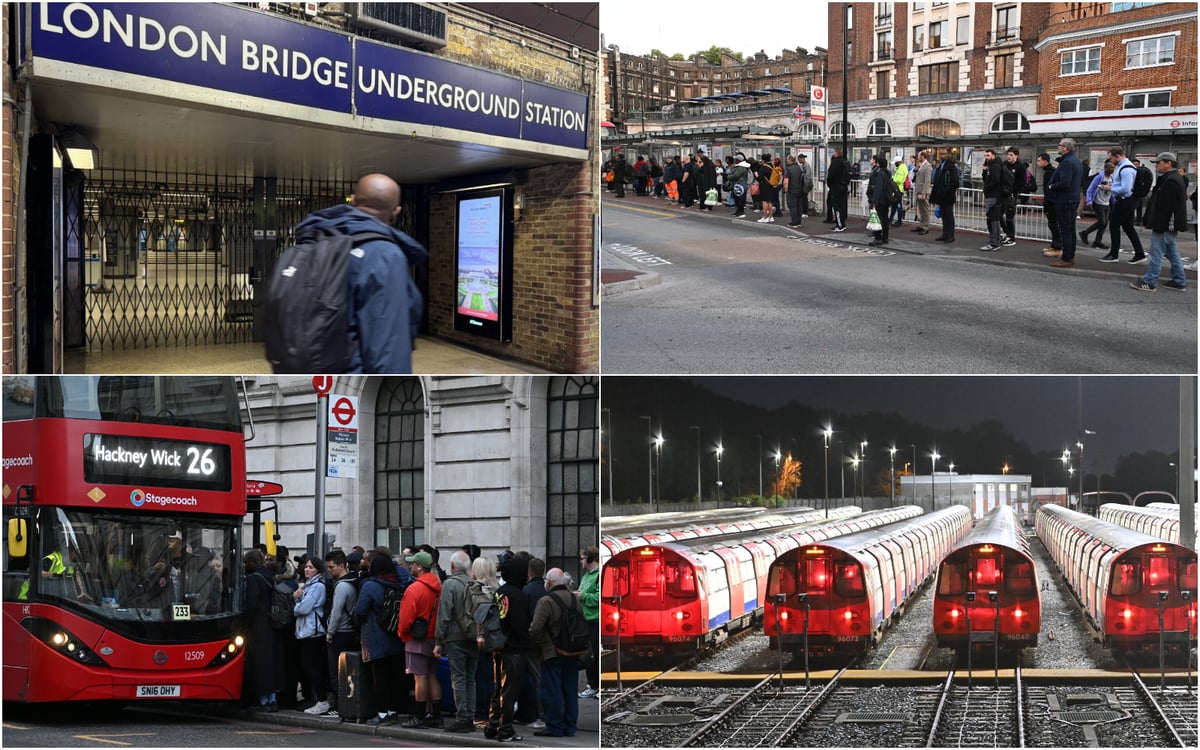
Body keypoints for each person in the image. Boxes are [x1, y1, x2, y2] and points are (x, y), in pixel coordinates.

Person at [290, 174, 426, 373]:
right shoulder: (384, 255)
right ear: (396, 211)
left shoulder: (317, 239)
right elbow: (388, 348)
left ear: (352, 200)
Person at [353, 551, 406, 726]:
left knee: (380, 677)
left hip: (376, 636)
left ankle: (382, 714)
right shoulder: (398, 584)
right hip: (395, 636)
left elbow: (360, 611)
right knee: (394, 677)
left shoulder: (370, 585)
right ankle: (392, 711)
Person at [529, 567, 582, 738]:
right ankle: (570, 726)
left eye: (546, 580)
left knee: (552, 690)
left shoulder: (546, 601)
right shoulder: (574, 600)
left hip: (551, 652)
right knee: (570, 691)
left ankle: (555, 726)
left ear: (549, 582)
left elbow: (535, 628)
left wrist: (533, 644)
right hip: (573, 652)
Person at [486, 554, 531, 742]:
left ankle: (492, 724)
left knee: (498, 688)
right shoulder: (519, 595)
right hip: (514, 648)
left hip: (498, 645)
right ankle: (506, 729)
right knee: (510, 690)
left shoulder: (500, 591)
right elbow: (520, 625)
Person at [1130, 152, 1189, 292]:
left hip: (1164, 224)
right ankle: (1179, 280)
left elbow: (1165, 207)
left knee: (1156, 252)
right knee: (1172, 252)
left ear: (1169, 163)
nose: (1156, 165)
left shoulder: (1171, 180)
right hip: (1169, 224)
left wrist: (1158, 225)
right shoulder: (1173, 178)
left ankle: (1150, 281)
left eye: (1159, 162)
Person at [399, 550, 444, 728]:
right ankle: (437, 715)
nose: (410, 566)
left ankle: (420, 716)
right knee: (432, 675)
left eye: (412, 564)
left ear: (419, 566)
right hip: (434, 638)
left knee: (420, 677)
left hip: (416, 638)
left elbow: (405, 618)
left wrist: (402, 634)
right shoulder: (438, 587)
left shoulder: (415, 588)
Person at [435, 549, 479, 733]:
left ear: (452, 566)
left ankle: (462, 718)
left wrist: (438, 640)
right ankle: (470, 715)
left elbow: (443, 614)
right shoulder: (475, 584)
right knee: (470, 678)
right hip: (474, 636)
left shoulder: (450, 584)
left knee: (459, 678)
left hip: (455, 637)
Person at [243, 549, 282, 712]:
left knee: (258, 663)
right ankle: (272, 698)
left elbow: (251, 605)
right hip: (271, 623)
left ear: (253, 562)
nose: (245, 566)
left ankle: (263, 700)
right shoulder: (269, 575)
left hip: (257, 626)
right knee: (270, 663)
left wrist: (245, 624)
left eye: (246, 562)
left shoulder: (253, 579)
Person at [293, 555, 330, 715]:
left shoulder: (317, 587)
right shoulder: (309, 585)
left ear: (318, 570)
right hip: (306, 631)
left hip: (313, 632)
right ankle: (317, 699)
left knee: (312, 667)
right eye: (306, 567)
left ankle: (322, 701)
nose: (307, 569)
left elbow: (303, 609)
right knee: (308, 667)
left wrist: (296, 600)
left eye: (311, 567)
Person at [517, 557, 548, 729]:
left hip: (531, 643)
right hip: (548, 642)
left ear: (529, 571)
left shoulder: (526, 591)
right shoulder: (547, 589)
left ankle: (540, 715)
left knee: (536, 679)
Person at [1106, 146, 1148, 264]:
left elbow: (1126, 189)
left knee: (1114, 225)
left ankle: (1114, 254)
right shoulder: (1125, 166)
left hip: (1125, 200)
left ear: (1118, 156)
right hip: (1129, 200)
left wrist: (1110, 188)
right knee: (1128, 227)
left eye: (1111, 158)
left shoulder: (1125, 169)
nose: (1110, 161)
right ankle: (1139, 253)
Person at [471, 555, 499, 728]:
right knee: (491, 677)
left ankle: (481, 714)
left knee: (480, 677)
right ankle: (492, 712)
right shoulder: (497, 590)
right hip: (495, 639)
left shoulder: (474, 591)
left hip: (479, 638)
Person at [1046, 139, 1084, 268]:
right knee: (1070, 230)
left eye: (1060, 145)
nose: (1058, 147)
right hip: (1071, 199)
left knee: (1066, 231)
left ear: (1066, 148)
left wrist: (1051, 187)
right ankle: (1069, 256)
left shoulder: (1067, 162)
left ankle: (1066, 258)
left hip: (1064, 200)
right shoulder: (1076, 161)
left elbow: (1065, 183)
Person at [577, 547, 600, 700]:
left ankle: (596, 685)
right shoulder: (585, 577)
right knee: (588, 655)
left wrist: (583, 596)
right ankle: (592, 685)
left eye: (583, 558)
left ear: (591, 558)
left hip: (595, 620)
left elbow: (599, 597)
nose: (581, 561)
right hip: (585, 620)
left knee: (595, 655)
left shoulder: (599, 575)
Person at [979, 148, 1013, 252]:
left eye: (988, 155)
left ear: (993, 155)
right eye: (985, 156)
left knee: (993, 219)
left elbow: (995, 181)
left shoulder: (995, 166)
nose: (986, 158)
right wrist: (984, 171)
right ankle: (996, 240)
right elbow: (986, 179)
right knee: (995, 219)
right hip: (994, 196)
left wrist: (988, 188)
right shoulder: (993, 166)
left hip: (994, 196)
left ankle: (994, 243)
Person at [1081, 162, 1115, 253]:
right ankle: (1085, 233)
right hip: (1098, 202)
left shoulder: (1112, 178)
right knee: (1102, 222)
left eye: (1113, 168)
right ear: (1105, 168)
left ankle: (1097, 241)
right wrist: (1089, 201)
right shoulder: (1099, 177)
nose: (1112, 169)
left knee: (1104, 223)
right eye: (1110, 167)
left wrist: (1114, 201)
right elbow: (1090, 189)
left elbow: (1112, 191)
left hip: (1106, 203)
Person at [1036, 153, 1064, 257]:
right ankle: (1054, 244)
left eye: (1039, 160)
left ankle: (1057, 247)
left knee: (1053, 224)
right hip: (1051, 201)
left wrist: (1048, 201)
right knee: (1052, 224)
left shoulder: (1049, 172)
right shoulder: (1050, 171)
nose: (1038, 163)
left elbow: (1049, 189)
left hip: (1051, 202)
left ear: (1045, 161)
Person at [930, 153, 960, 242]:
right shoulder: (940, 167)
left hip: (948, 196)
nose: (941, 156)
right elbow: (936, 183)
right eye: (941, 154)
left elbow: (955, 183)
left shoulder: (951, 167)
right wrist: (933, 197)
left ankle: (950, 235)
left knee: (949, 216)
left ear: (947, 155)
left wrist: (945, 190)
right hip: (941, 196)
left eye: (943, 154)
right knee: (944, 216)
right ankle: (945, 234)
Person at [1002, 147, 1028, 243]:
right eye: (1008, 154)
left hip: (1012, 195)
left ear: (1016, 155)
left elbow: (1022, 181)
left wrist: (1014, 192)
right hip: (1003, 193)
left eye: (1011, 155)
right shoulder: (1004, 164)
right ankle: (1006, 232)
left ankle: (1011, 237)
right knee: (999, 216)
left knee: (1009, 217)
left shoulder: (1020, 167)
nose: (1009, 157)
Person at [866, 154, 891, 246]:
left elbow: (878, 188)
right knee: (885, 219)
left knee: (878, 219)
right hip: (886, 199)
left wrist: (874, 201)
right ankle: (885, 237)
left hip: (880, 200)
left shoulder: (880, 174)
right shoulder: (887, 173)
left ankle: (878, 238)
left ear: (879, 164)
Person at [826, 148, 850, 232]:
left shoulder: (835, 162)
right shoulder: (845, 162)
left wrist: (829, 184)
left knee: (836, 207)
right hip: (843, 187)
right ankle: (842, 224)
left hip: (836, 187)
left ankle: (840, 225)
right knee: (842, 206)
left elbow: (831, 175)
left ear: (836, 153)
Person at [911, 150, 933, 235]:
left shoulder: (927, 166)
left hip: (923, 191)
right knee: (921, 209)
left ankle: (925, 227)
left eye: (919, 156)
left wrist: (924, 193)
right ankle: (921, 225)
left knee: (925, 210)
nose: (918, 157)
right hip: (919, 190)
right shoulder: (922, 165)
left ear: (923, 156)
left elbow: (927, 181)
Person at [783, 155, 804, 227]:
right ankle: (799, 222)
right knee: (799, 206)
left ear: (789, 160)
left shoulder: (788, 169)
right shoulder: (799, 168)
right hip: (800, 190)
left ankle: (794, 222)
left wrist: (786, 190)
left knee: (793, 207)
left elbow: (786, 181)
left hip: (792, 191)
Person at [889, 158, 908, 227]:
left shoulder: (900, 168)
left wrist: (892, 179)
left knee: (898, 206)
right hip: (898, 189)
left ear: (898, 162)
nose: (894, 164)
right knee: (895, 206)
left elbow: (899, 180)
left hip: (897, 189)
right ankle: (891, 219)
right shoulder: (903, 167)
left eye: (895, 162)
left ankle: (899, 221)